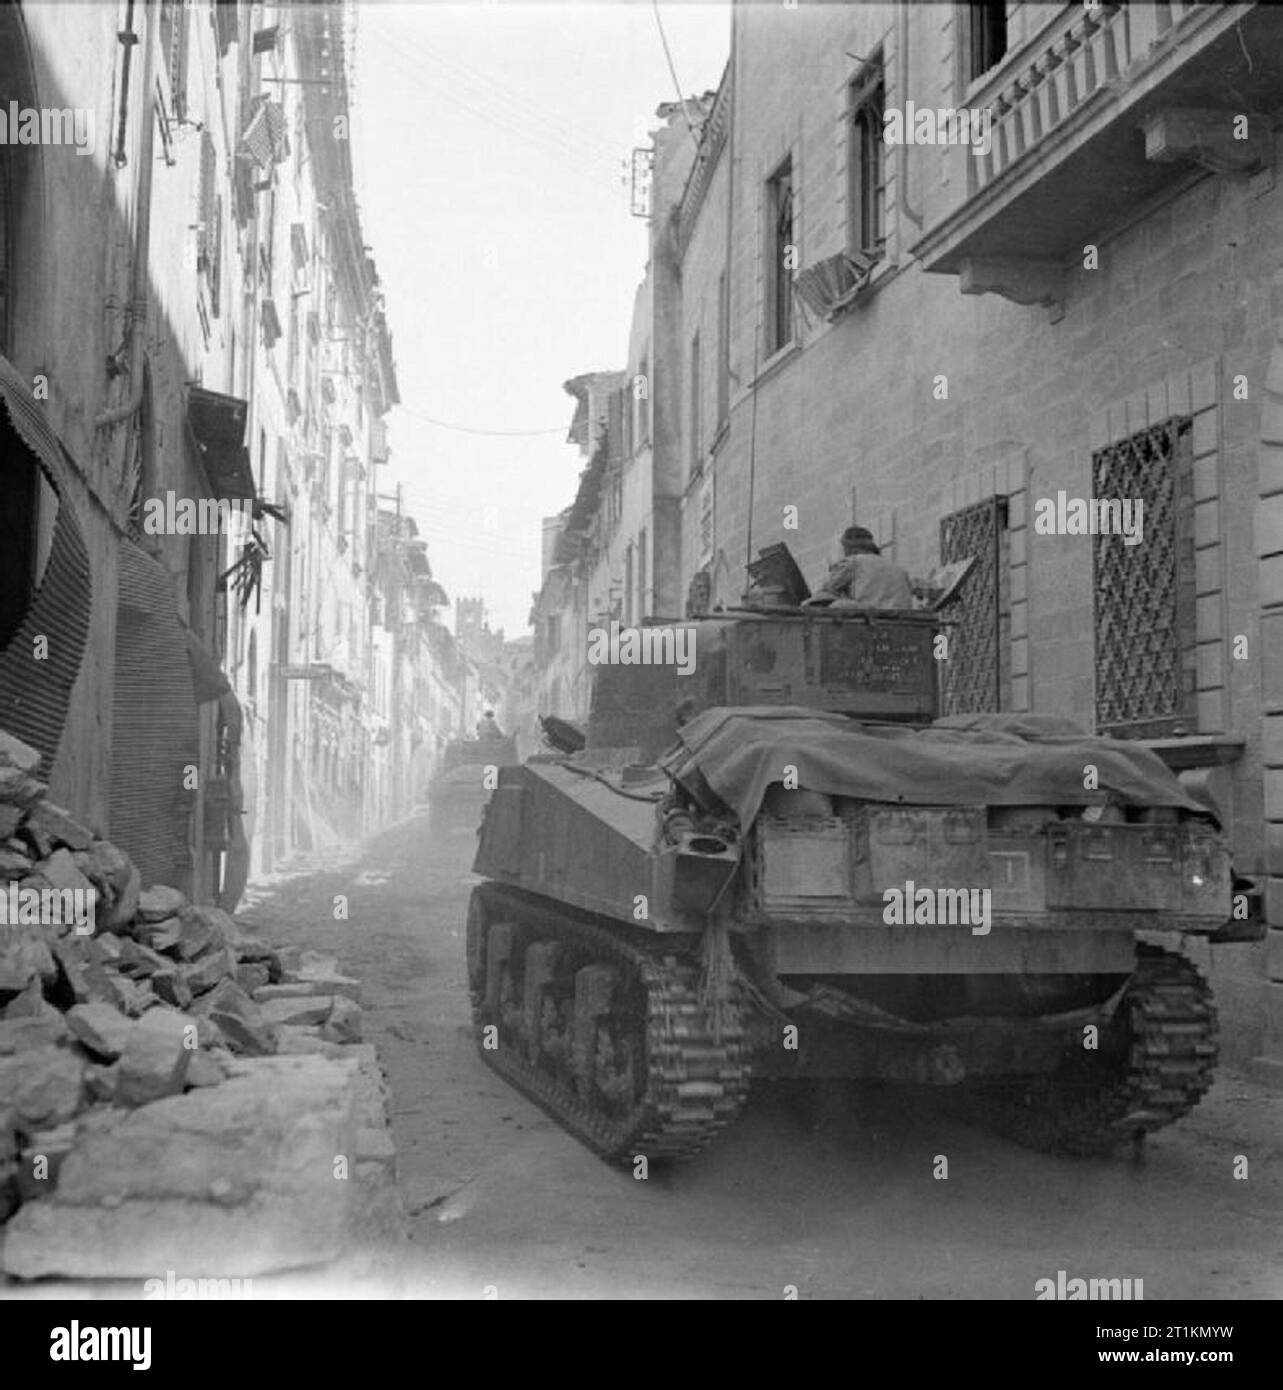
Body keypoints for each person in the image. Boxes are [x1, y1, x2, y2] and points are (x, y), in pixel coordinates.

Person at [802, 525, 914, 610]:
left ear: (846, 547)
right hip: (901, 622)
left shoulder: (853, 562)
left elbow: (826, 592)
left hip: (868, 620)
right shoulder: (899, 570)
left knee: (837, 605)